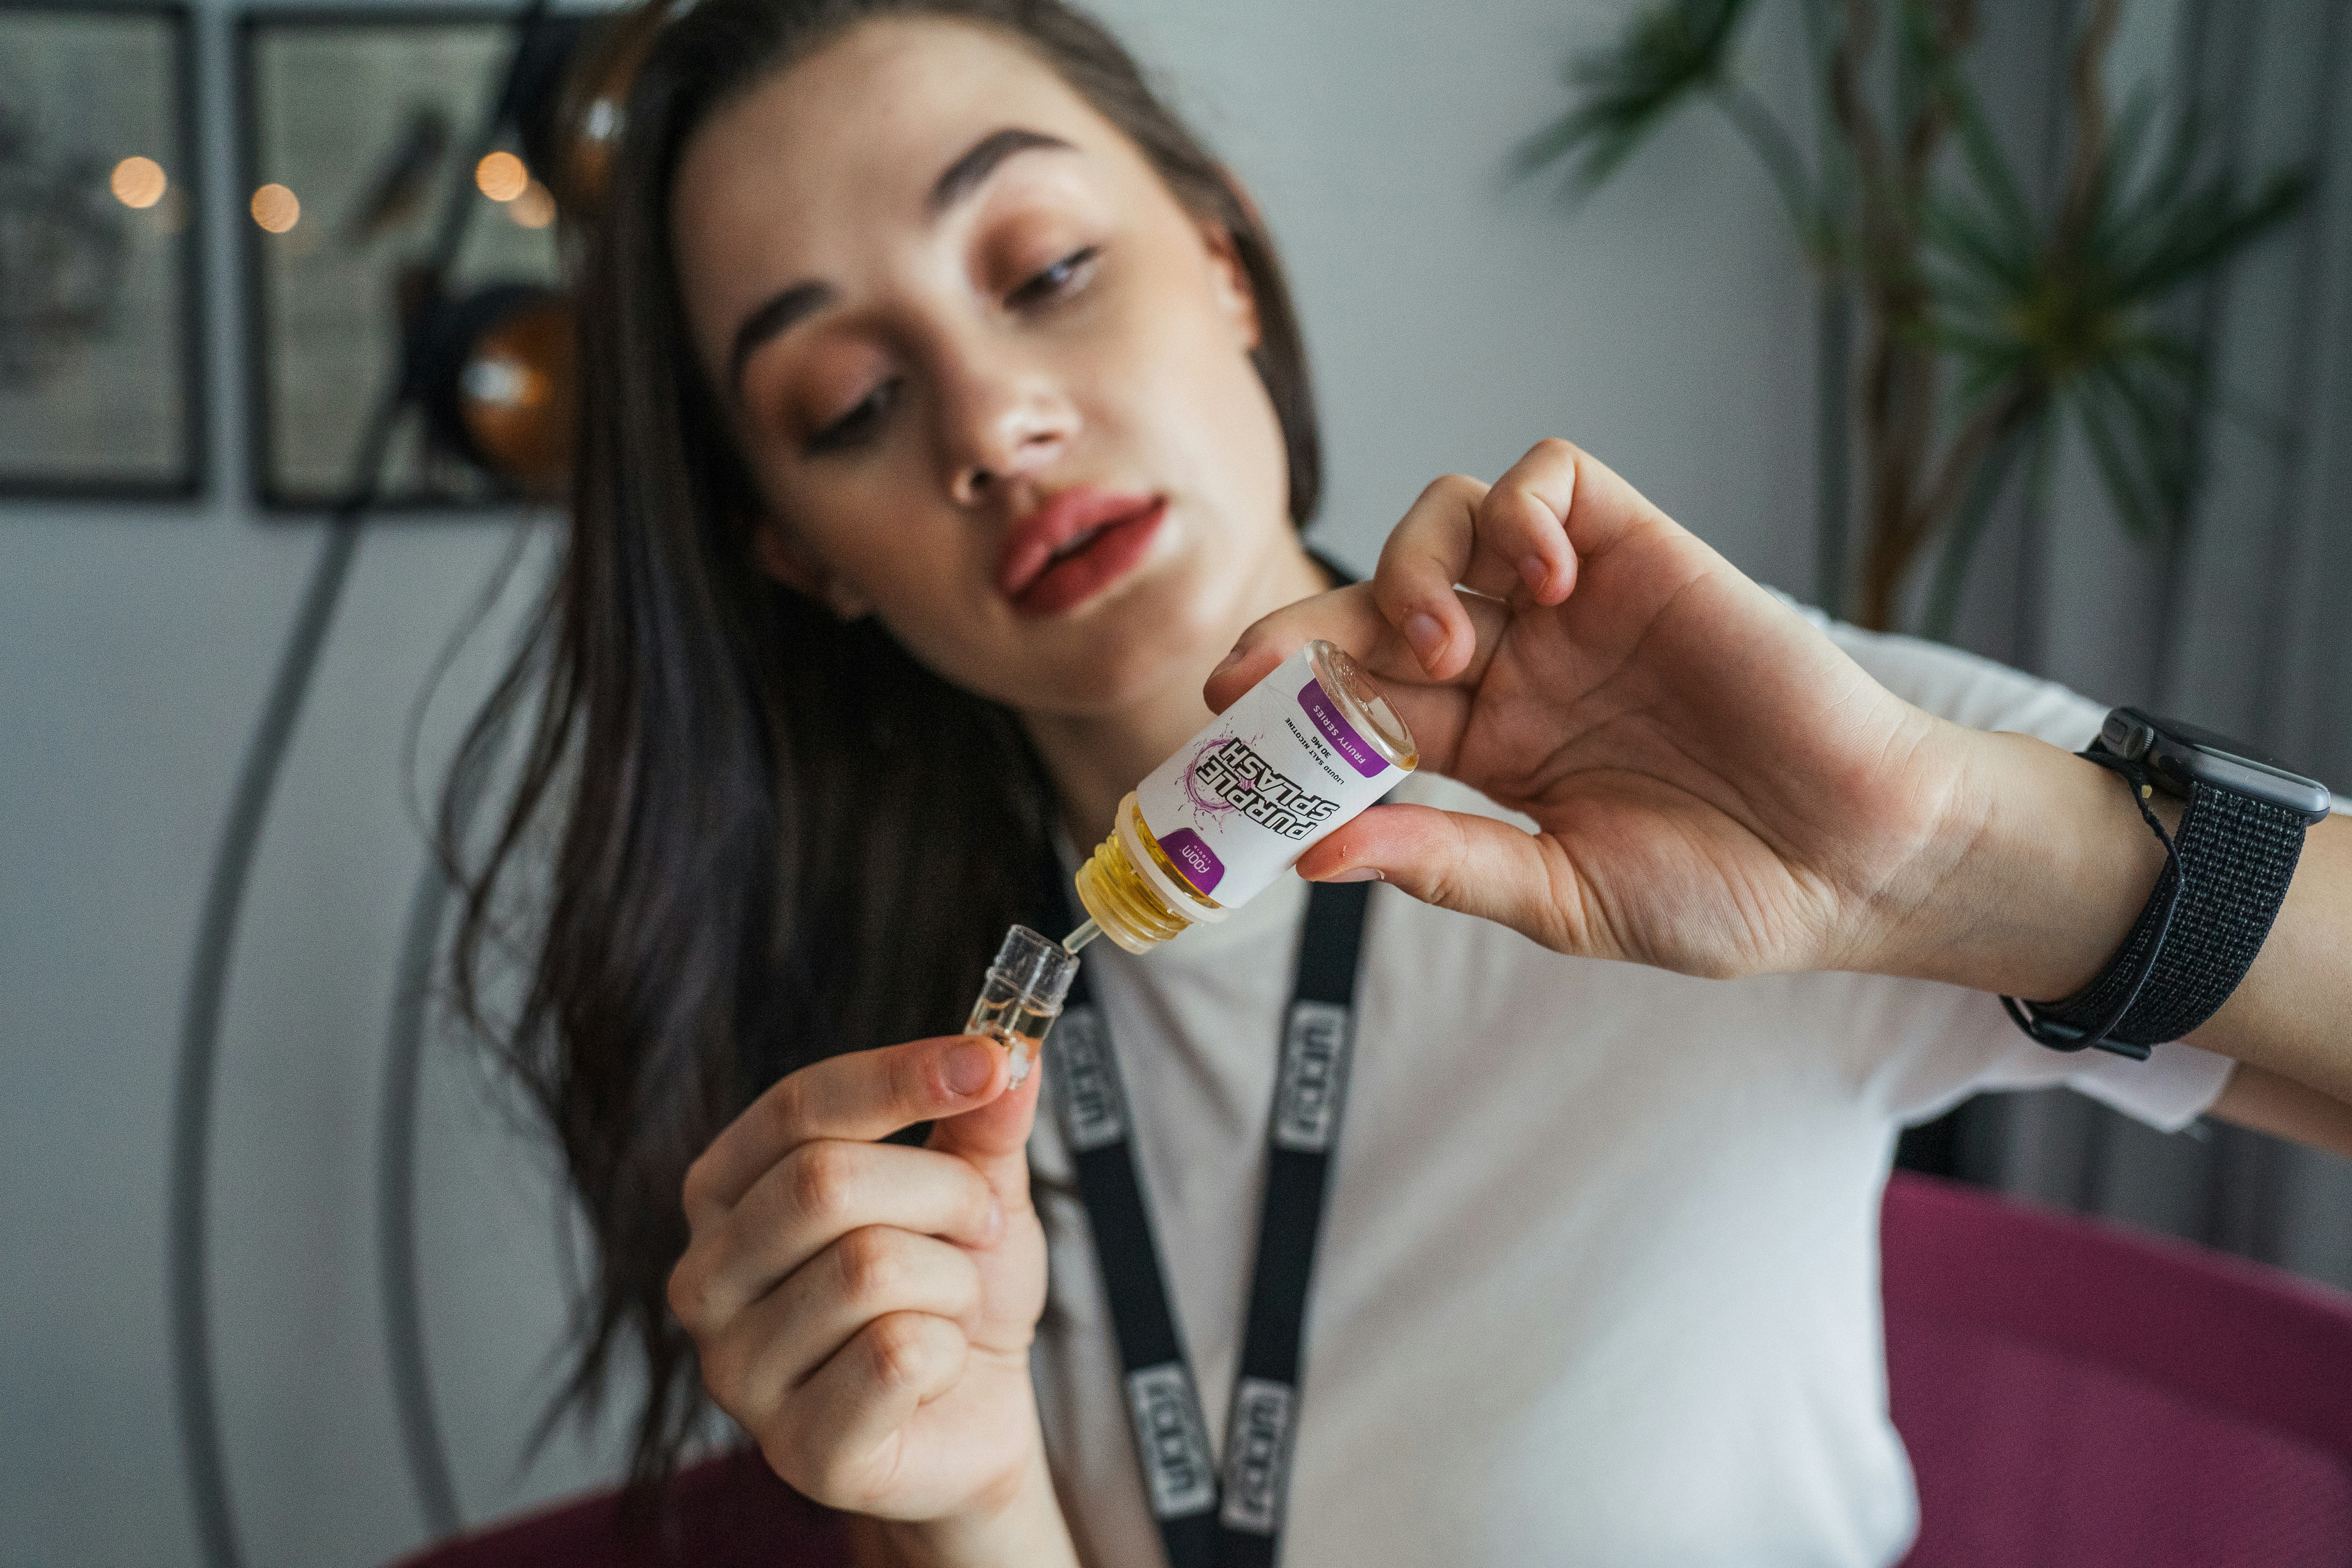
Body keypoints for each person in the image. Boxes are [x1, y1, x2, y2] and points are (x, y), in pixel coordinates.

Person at [448, 1, 2352, 1563]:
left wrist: (1942, 857)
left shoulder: (1740, 752)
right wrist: (967, 1506)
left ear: (1226, 264)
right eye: (848, 405)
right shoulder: (863, 1039)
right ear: (803, 552)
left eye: (1046, 267)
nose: (996, 424)